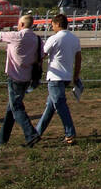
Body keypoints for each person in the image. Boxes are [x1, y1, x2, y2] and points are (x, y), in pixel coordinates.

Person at [0, 15, 42, 148]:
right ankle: (2, 139)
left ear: (22, 24)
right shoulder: (37, 39)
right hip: (27, 77)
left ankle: (31, 134)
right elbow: (41, 56)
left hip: (15, 77)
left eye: (19, 24)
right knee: (11, 109)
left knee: (16, 107)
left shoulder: (16, 36)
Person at [35, 14, 82, 145]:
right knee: (50, 107)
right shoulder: (74, 39)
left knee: (61, 106)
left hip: (55, 78)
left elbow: (42, 55)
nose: (51, 27)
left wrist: (33, 67)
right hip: (66, 77)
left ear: (57, 24)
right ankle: (36, 133)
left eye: (52, 25)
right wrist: (75, 75)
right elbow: (78, 59)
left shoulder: (54, 39)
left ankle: (70, 133)